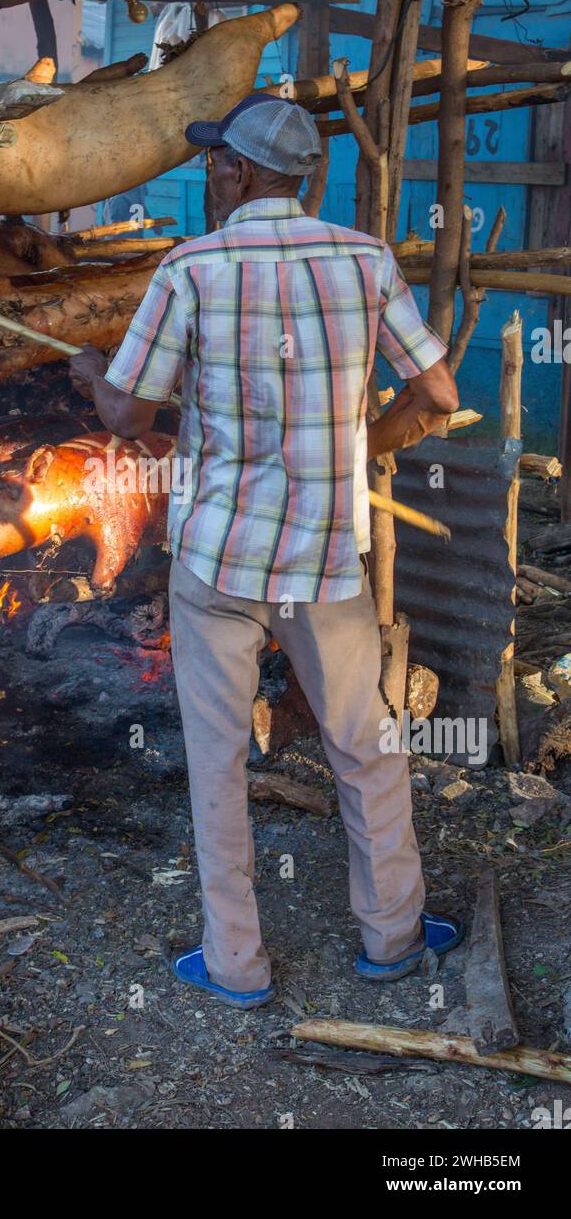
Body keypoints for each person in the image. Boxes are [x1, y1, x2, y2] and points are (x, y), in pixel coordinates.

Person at [68, 93, 463, 1010]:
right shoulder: (363, 261)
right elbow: (437, 391)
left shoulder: (193, 267)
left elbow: (129, 414)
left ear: (237, 173)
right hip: (325, 563)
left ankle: (237, 964)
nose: (210, 174)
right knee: (365, 748)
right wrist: (367, 443)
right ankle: (393, 938)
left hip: (218, 562)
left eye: (216, 162)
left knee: (217, 762)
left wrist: (93, 379)